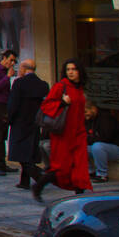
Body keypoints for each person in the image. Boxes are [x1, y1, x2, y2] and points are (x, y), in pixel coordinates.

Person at [32, 60, 93, 201]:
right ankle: (39, 186)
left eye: (74, 69)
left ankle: (80, 195)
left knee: (80, 165)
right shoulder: (61, 86)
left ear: (80, 71)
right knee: (61, 167)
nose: (70, 72)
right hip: (63, 134)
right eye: (68, 69)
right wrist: (62, 102)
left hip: (78, 133)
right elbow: (46, 106)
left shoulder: (80, 88)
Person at [6, 59, 48, 190]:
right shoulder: (43, 85)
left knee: (21, 155)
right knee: (28, 153)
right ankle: (24, 181)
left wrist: (9, 119)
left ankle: (40, 177)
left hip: (20, 122)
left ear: (24, 68)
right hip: (35, 123)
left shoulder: (19, 83)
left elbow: (13, 105)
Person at [85, 101, 119, 182]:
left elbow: (105, 138)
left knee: (97, 146)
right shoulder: (88, 120)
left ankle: (102, 175)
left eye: (85, 111)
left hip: (118, 149)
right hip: (100, 148)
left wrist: (88, 139)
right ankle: (90, 172)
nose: (84, 115)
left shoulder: (106, 118)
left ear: (93, 109)